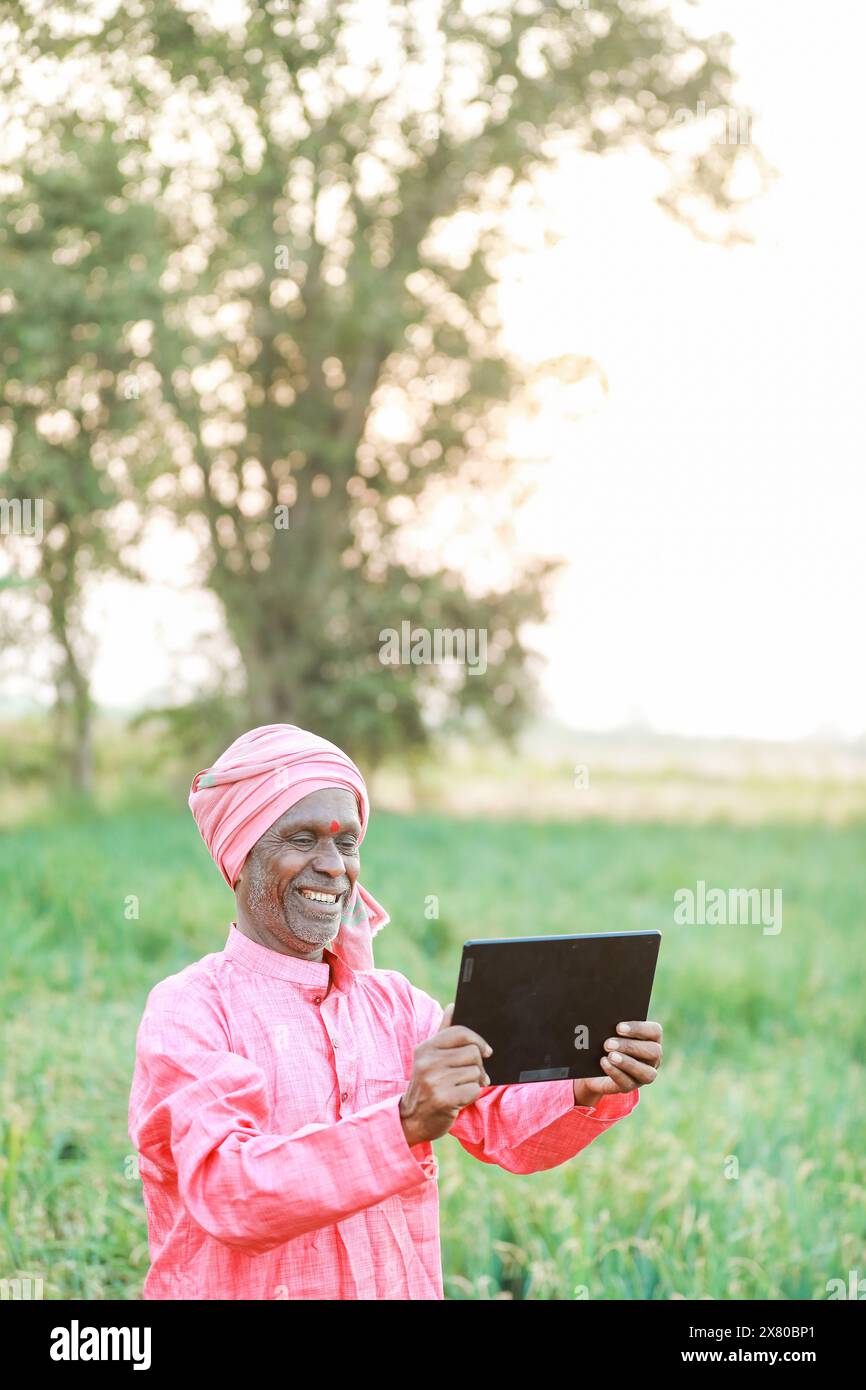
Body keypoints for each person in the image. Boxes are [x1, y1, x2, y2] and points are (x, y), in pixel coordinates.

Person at [128, 723, 662, 1299]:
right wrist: (404, 1122)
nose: (335, 866)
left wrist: (585, 1084)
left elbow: (504, 1127)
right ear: (241, 855)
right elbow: (229, 1193)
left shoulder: (395, 1004)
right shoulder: (190, 1010)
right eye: (303, 839)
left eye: (348, 842)